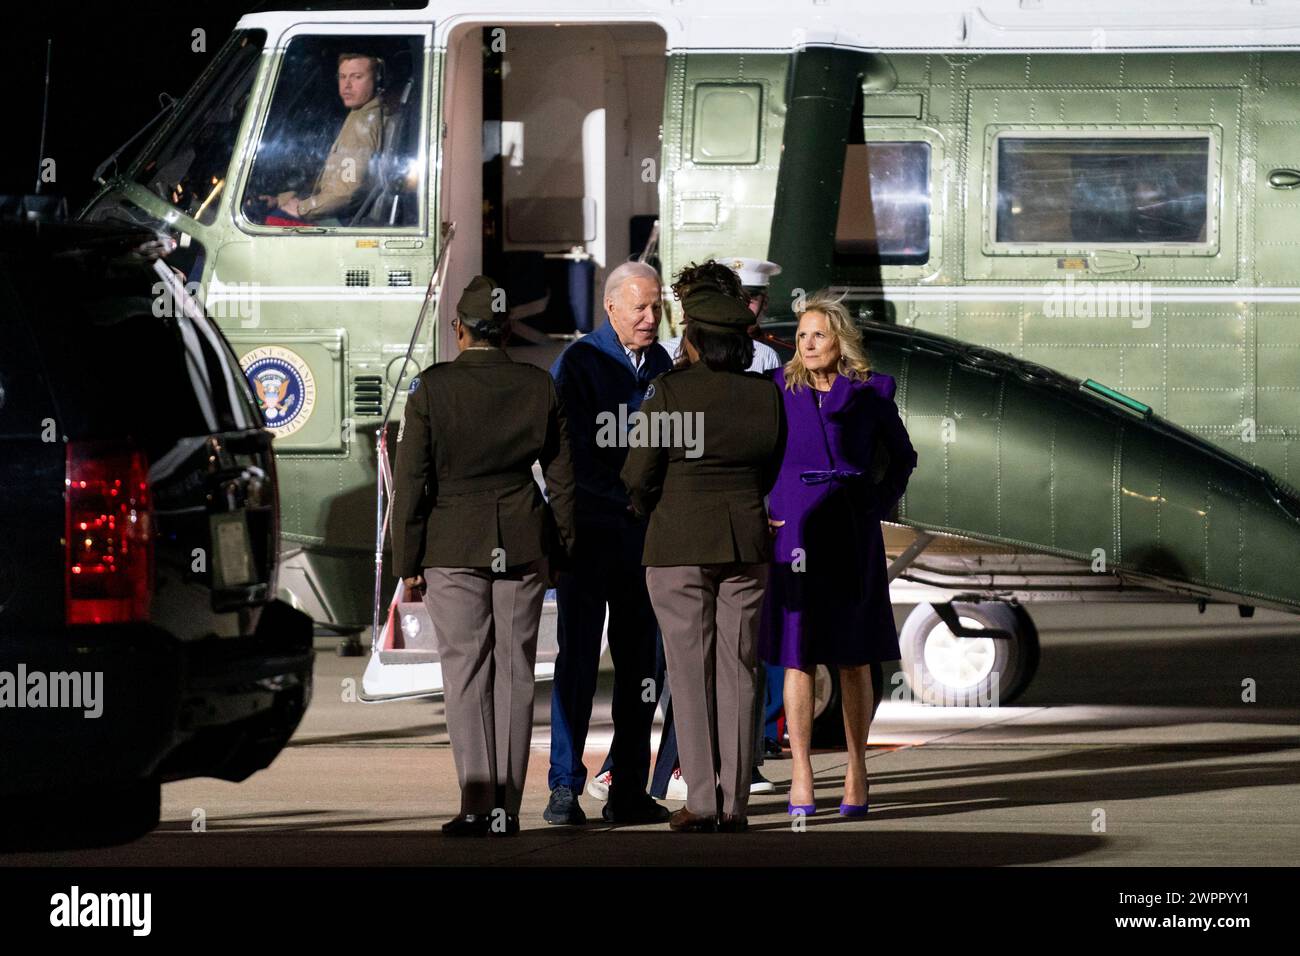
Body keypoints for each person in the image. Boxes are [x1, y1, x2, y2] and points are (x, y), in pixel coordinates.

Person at [391, 275, 577, 837]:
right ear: (505, 331)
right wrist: (561, 547)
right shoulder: (538, 385)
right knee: (517, 672)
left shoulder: (432, 388)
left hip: (453, 543)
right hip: (521, 540)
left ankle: (476, 802)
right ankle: (507, 809)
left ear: (460, 330)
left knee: (466, 670)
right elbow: (564, 480)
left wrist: (407, 560)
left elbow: (411, 483)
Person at [622, 286, 786, 832]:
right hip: (745, 542)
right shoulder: (767, 395)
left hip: (678, 545)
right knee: (739, 672)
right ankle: (736, 804)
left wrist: (649, 503)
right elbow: (770, 468)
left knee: (689, 674)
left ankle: (702, 800)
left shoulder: (667, 393)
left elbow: (637, 473)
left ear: (692, 338)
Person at [759, 290, 917, 817]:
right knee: (799, 658)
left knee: (853, 658)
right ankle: (800, 771)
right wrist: (760, 509)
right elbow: (755, 458)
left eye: (818, 335)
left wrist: (875, 499)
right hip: (795, 533)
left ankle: (856, 767)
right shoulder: (777, 389)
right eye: (801, 335)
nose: (806, 343)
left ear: (840, 341)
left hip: (851, 533)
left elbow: (903, 455)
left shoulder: (871, 391)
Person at [546, 260, 674, 825]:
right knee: (576, 663)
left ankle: (626, 790)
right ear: (612, 307)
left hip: (641, 540)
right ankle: (563, 788)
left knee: (638, 668)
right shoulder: (579, 362)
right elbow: (564, 454)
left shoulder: (664, 365)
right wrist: (619, 496)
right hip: (590, 537)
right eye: (640, 307)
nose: (650, 318)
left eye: (656, 307)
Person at [260, 53, 386, 222]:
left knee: (271, 221)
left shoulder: (363, 124)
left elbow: (345, 192)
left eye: (357, 77)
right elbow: (331, 185)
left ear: (376, 80)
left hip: (342, 219)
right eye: (342, 77)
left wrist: (301, 209)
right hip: (338, 212)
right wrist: (280, 200)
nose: (347, 85)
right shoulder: (359, 114)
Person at [660, 257, 782, 373]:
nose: (741, 305)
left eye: (750, 298)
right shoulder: (664, 352)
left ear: (764, 302)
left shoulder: (765, 356)